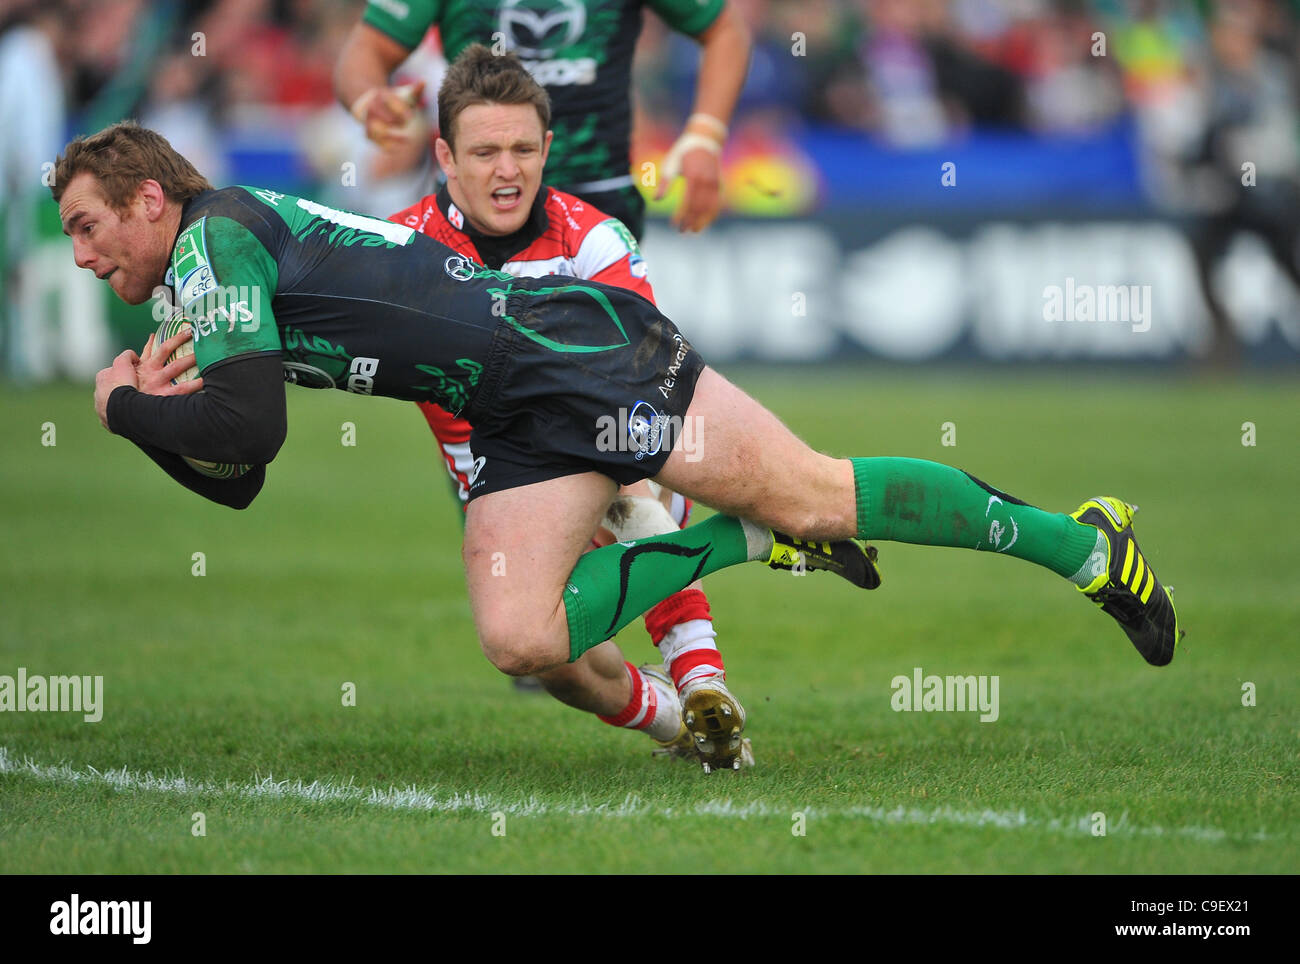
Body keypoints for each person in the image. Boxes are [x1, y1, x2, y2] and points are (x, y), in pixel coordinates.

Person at [57, 124, 1180, 765]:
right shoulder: (201, 275)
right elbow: (242, 478)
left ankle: (1087, 545)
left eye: (87, 226)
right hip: (505, 412)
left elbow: (246, 428)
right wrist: (149, 421)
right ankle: (747, 544)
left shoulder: (214, 241)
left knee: (818, 493)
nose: (80, 256)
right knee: (521, 638)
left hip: (565, 353)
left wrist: (123, 410)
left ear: (150, 199)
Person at [390, 46, 753, 770]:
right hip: (498, 492)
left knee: (632, 490)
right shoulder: (398, 252)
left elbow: (642, 375)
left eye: (524, 149)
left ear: (548, 148)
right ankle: (674, 720)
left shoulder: (593, 240)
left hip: (597, 450)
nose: (508, 169)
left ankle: (701, 679)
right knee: (548, 661)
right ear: (445, 155)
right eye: (485, 151)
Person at [334, 0, 752, 239]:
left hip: (596, 201)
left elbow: (725, 30)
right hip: (472, 204)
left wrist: (705, 135)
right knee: (463, 361)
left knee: (597, 362)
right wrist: (369, 98)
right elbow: (366, 51)